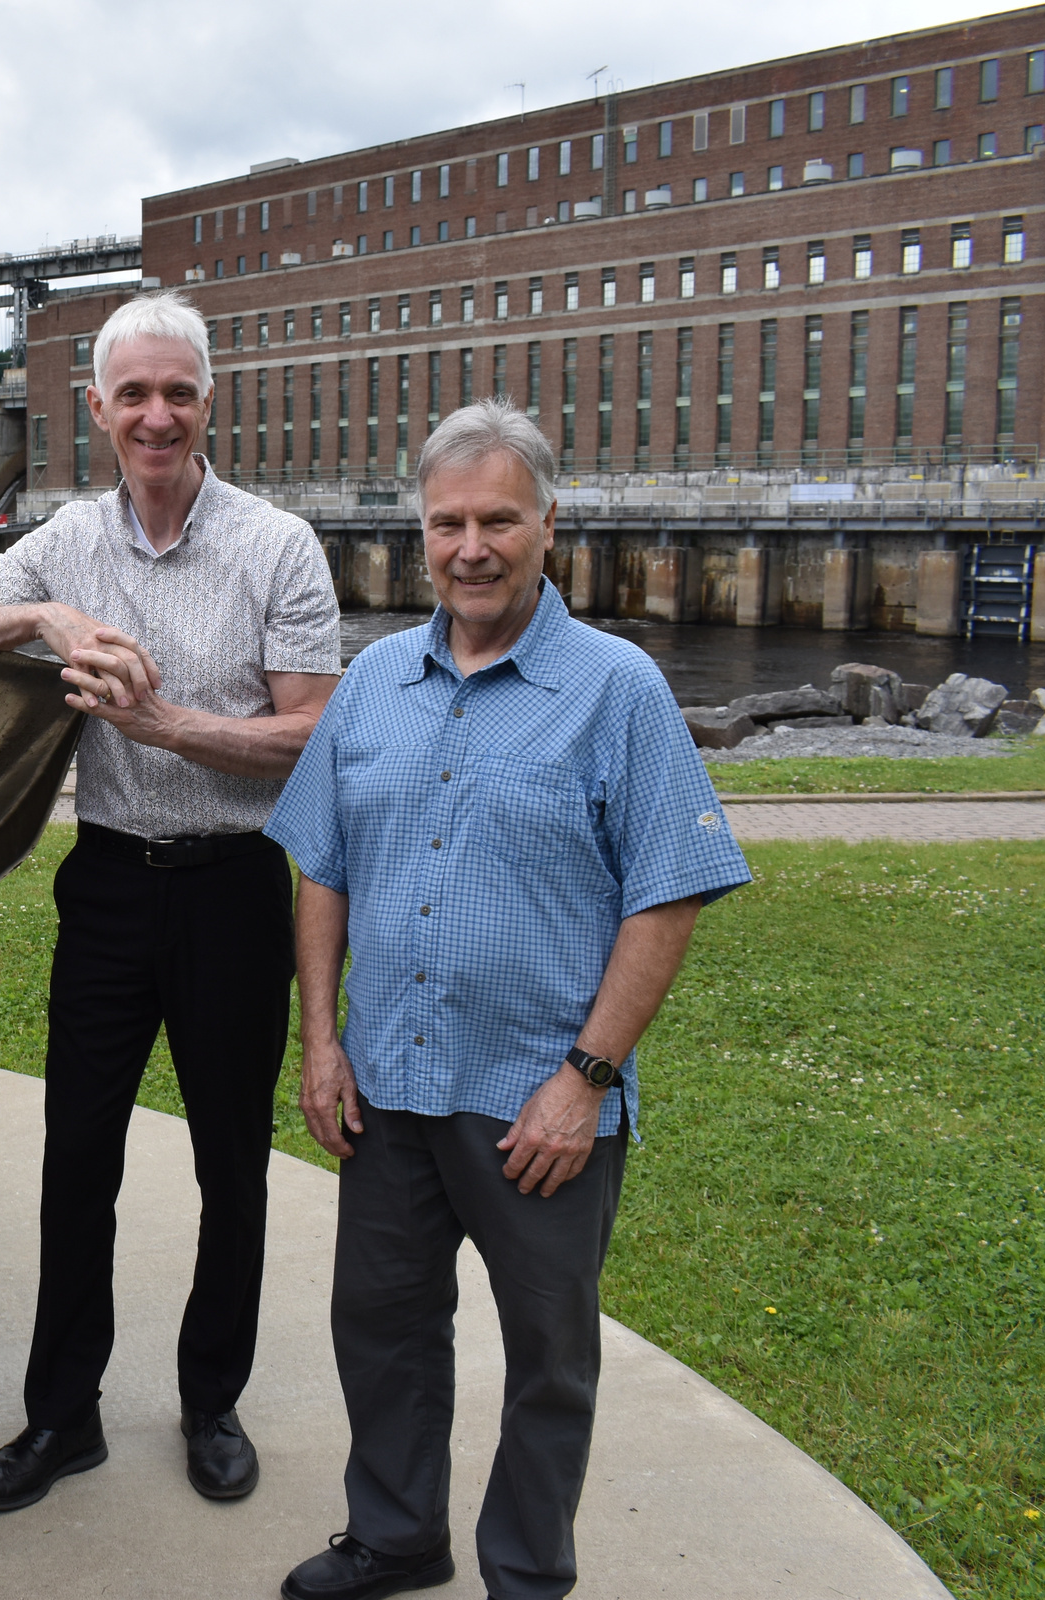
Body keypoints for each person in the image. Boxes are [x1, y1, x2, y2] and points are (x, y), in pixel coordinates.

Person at [263, 398, 751, 1600]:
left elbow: (668, 895)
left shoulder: (617, 690)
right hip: (388, 1083)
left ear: (548, 525)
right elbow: (322, 865)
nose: (470, 548)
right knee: (382, 1326)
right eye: (448, 524)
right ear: (421, 533)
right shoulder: (374, 683)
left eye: (497, 521)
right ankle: (396, 1536)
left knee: (548, 1355)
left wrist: (585, 1080)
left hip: (537, 1101)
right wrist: (321, 1041)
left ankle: (527, 1574)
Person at [0, 289, 341, 1511]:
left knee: (231, 1163)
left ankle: (212, 1400)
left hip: (233, 889)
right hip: (107, 883)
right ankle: (64, 1417)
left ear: (210, 403)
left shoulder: (277, 546)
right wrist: (42, 615)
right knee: (77, 1160)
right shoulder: (67, 540)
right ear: (97, 408)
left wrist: (166, 725)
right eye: (135, 395)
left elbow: (315, 737)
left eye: (180, 393)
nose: (158, 416)